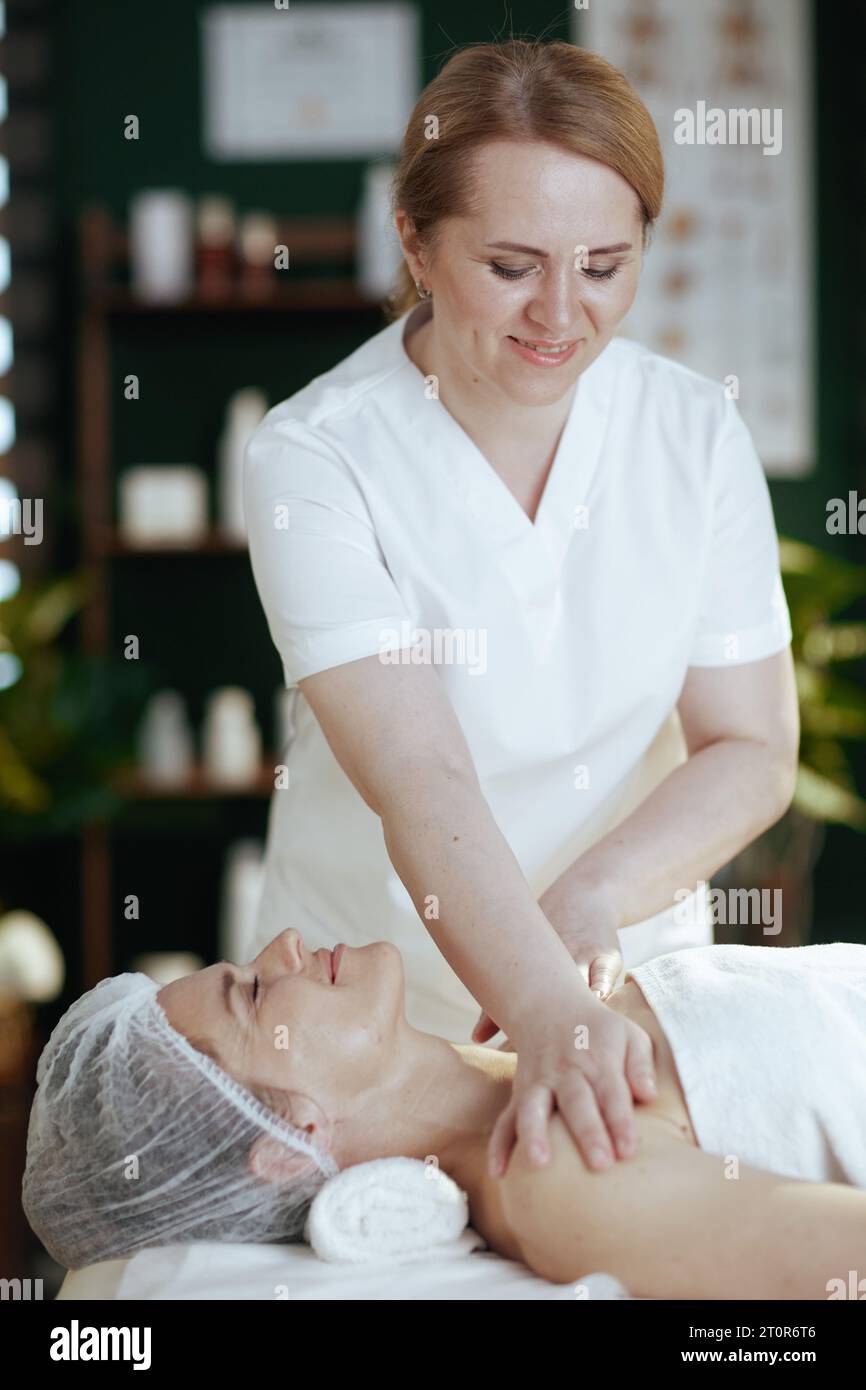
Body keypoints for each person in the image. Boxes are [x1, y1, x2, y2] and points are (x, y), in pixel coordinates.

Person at [242, 39, 799, 1182]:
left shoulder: (690, 434)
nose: (561, 312)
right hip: (373, 1018)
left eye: (604, 264)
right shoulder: (316, 455)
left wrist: (590, 903)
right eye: (509, 265)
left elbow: (750, 747)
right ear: (414, 241)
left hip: (620, 977)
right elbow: (421, 774)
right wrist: (541, 1003)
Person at [22, 927, 866, 1298]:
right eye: (249, 992)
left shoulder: (545, 1031)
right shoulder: (560, 1170)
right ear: (286, 1142)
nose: (281, 943)